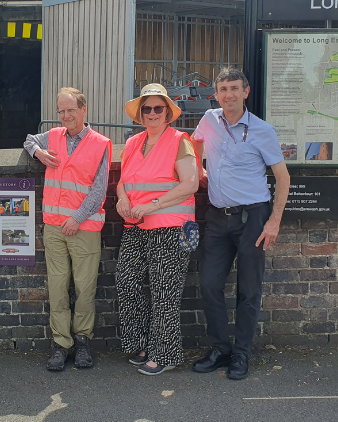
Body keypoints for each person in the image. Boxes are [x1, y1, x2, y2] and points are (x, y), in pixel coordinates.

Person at [191, 68, 290, 380]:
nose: (228, 94)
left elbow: (283, 178)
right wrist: (200, 172)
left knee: (248, 290)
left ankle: (242, 354)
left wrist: (273, 222)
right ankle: (220, 349)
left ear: (246, 92)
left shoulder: (262, 130)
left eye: (234, 88)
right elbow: (193, 147)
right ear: (216, 94)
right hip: (218, 217)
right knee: (209, 284)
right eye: (223, 89)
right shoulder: (208, 119)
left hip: (253, 218)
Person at [24, 87, 112, 371]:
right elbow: (28, 140)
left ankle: (83, 340)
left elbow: (99, 191)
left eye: (70, 110)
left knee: (85, 288)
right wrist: (37, 152)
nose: (65, 116)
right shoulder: (52, 137)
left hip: (83, 227)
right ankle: (61, 344)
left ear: (83, 110)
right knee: (58, 288)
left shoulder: (101, 143)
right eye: (61, 111)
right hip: (53, 226)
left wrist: (77, 217)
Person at [116, 84, 199, 375]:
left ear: (167, 113)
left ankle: (165, 354)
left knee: (165, 291)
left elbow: (191, 183)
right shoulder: (132, 143)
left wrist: (152, 205)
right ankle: (140, 344)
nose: (152, 113)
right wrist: (122, 199)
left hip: (170, 227)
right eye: (147, 108)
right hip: (136, 226)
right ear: (140, 114)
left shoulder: (179, 140)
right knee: (127, 282)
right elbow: (123, 181)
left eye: (158, 108)